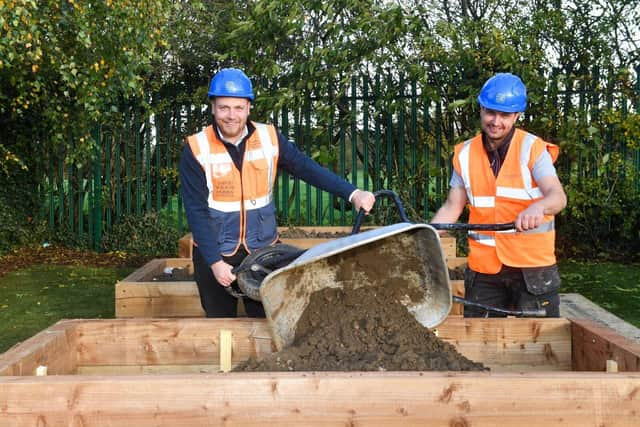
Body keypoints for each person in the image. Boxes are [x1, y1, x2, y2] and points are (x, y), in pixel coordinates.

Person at [179, 68, 376, 318]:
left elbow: (306, 168)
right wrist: (215, 263)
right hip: (216, 253)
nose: (231, 115)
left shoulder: (269, 138)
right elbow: (196, 211)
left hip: (263, 251)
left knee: (267, 322)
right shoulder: (197, 148)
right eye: (224, 107)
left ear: (249, 107)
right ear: (213, 107)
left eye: (238, 108)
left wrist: (353, 193)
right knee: (220, 324)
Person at [430, 73, 567, 317]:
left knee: (540, 343)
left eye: (504, 115)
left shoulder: (532, 148)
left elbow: (557, 197)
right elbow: (452, 207)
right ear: (481, 110)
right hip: (485, 270)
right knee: (479, 338)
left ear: (516, 116)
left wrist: (538, 208)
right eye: (491, 112)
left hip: (533, 268)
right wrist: (426, 236)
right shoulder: (465, 154)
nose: (496, 121)